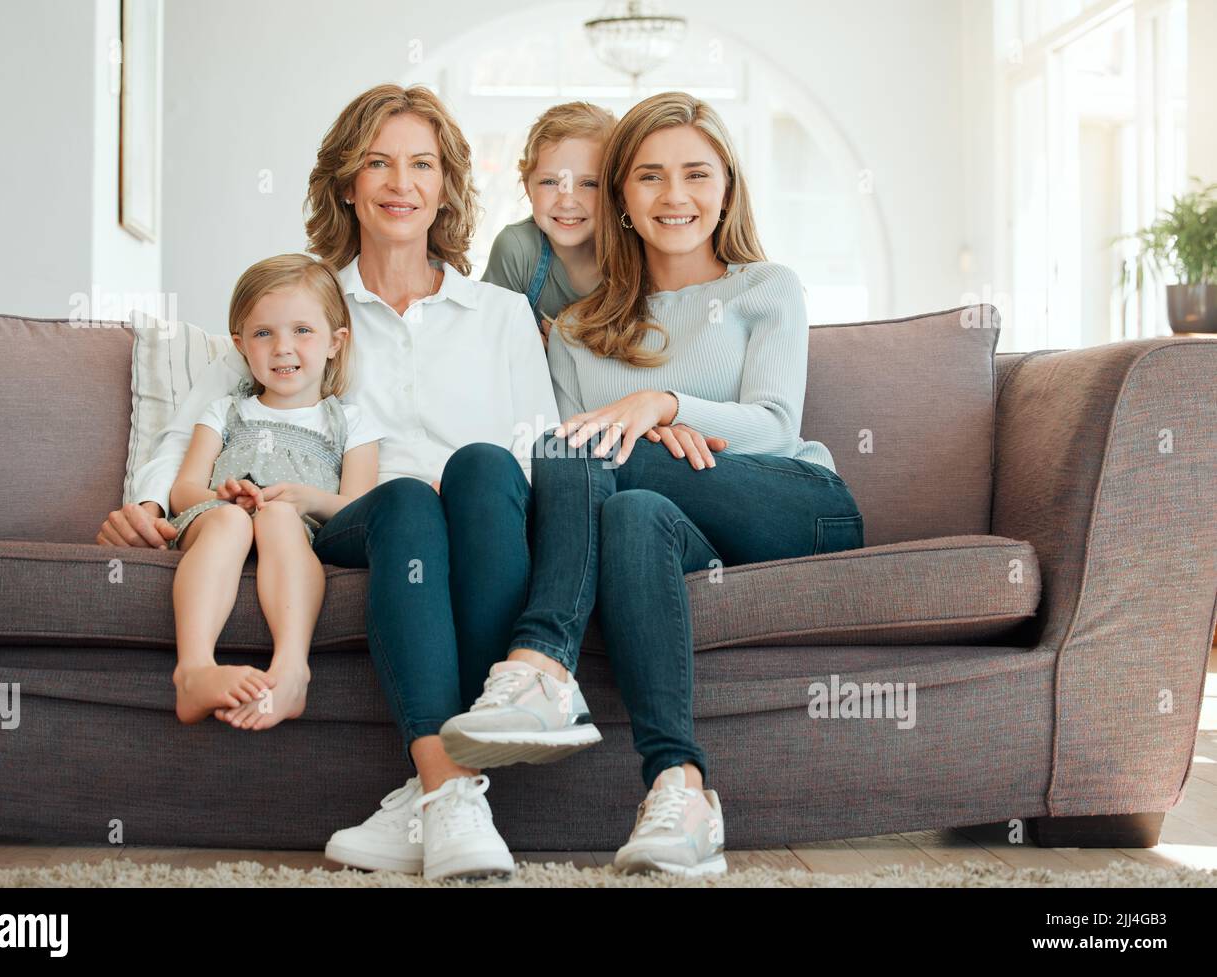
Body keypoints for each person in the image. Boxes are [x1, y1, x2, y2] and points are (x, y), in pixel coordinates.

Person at [100, 85, 560, 881]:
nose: (400, 182)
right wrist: (148, 499)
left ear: (446, 185)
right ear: (347, 182)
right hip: (355, 515)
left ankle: (426, 791)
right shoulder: (304, 305)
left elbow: (537, 454)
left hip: (482, 516)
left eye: (421, 164)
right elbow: (204, 414)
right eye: (377, 163)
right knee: (410, 498)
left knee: (483, 464)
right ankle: (449, 787)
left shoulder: (500, 315)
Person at [440, 91, 866, 877]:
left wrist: (660, 405)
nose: (676, 196)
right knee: (623, 500)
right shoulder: (575, 331)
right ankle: (681, 787)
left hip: (793, 503)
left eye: (697, 175)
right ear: (623, 203)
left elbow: (772, 423)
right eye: (651, 178)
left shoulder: (765, 288)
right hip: (671, 525)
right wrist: (647, 445)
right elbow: (580, 488)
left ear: (728, 187)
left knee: (599, 445)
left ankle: (541, 662)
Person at [168, 254, 382, 731]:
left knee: (279, 517)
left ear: (335, 342)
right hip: (218, 522)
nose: (283, 348)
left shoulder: (352, 423)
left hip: (293, 531)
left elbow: (359, 510)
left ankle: (290, 668)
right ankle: (194, 670)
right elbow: (182, 490)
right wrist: (221, 499)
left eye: (302, 331)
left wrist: (305, 499)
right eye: (264, 333)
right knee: (231, 521)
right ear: (242, 345)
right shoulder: (225, 411)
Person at [481, 102, 615, 342]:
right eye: (551, 182)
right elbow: (488, 341)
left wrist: (571, 351)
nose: (567, 202)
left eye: (589, 184)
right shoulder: (518, 249)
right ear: (528, 188)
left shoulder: (633, 251)